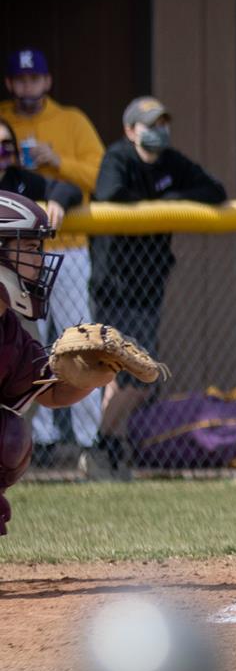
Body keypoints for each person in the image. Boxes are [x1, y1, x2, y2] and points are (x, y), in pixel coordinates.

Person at [91, 96, 227, 446]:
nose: (159, 132)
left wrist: (173, 201)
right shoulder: (118, 158)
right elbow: (109, 194)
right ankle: (102, 444)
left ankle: (108, 451)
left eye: (163, 124)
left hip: (149, 285)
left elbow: (214, 190)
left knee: (133, 377)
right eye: (150, 125)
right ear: (130, 130)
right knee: (133, 377)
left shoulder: (171, 162)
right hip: (115, 284)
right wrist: (152, 206)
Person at [1, 49, 105, 448]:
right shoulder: (3, 121)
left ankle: (86, 440)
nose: (28, 86)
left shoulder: (71, 120)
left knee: (76, 338)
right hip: (8, 258)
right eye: (20, 80)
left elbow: (96, 177)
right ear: (10, 83)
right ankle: (37, 440)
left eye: (35, 79)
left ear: (47, 81)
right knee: (27, 342)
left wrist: (57, 161)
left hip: (66, 248)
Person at [0, 193, 110, 534]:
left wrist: (94, 373)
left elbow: (49, 392)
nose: (39, 260)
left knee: (10, 438)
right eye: (30, 249)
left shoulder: (8, 330)